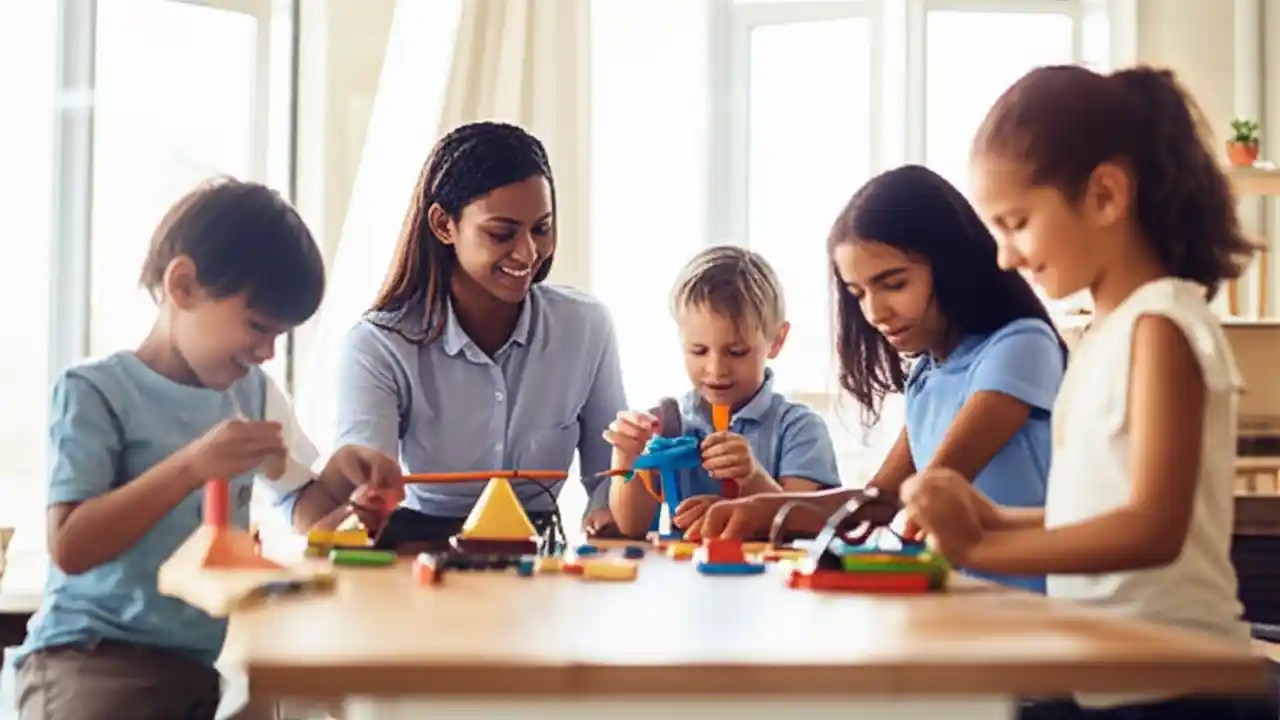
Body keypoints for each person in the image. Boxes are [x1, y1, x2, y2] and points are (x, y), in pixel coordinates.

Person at [903, 65, 1274, 719]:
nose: (1005, 257)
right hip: (1122, 674)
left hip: (1178, 685)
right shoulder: (1107, 332)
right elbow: (1102, 507)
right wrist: (992, 517)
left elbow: (1155, 527)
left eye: (1016, 223)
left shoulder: (1161, 326)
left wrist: (982, 548)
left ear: (1105, 196)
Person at [13, 178, 399, 719]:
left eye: (279, 336)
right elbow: (71, 547)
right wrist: (193, 466)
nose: (266, 351)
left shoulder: (253, 394)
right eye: (258, 326)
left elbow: (308, 509)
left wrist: (346, 484)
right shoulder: (95, 391)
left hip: (206, 668)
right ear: (184, 285)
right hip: (94, 659)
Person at [689, 167, 1064, 595]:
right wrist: (760, 508)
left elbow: (929, 494)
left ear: (951, 264)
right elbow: (880, 499)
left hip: (1026, 605)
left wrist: (773, 509)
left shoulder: (1021, 346)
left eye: (894, 284)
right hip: (959, 598)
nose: (874, 312)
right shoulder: (928, 372)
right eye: (858, 293)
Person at [324, 121, 626, 540]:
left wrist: (610, 513)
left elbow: (610, 474)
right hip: (415, 553)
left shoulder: (586, 327)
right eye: (501, 233)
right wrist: (363, 499)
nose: (528, 253)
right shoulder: (377, 345)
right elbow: (363, 477)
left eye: (541, 228)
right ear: (444, 225)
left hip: (536, 559)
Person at [605, 246, 840, 538]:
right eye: (698, 350)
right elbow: (632, 526)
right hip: (685, 577)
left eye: (737, 352)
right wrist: (627, 456)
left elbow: (802, 524)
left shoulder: (799, 429)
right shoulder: (667, 423)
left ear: (777, 340)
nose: (716, 369)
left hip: (768, 582)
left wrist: (752, 478)